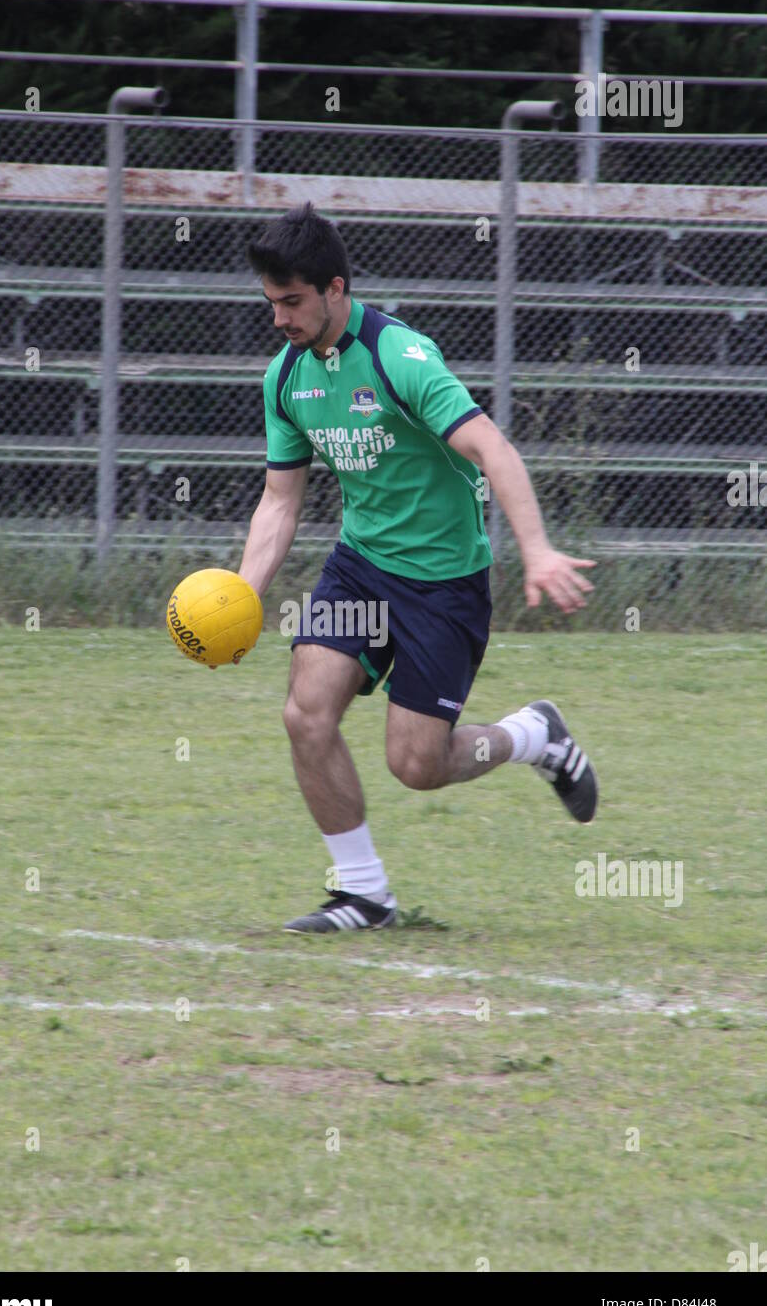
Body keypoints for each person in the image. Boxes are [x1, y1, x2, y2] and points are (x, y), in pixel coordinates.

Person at [237, 202, 597, 934]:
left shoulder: (401, 358)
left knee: (418, 765)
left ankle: (535, 735)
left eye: (294, 302)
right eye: (272, 304)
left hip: (442, 584)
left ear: (336, 288)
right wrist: (242, 598)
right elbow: (280, 503)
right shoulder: (286, 379)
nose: (280, 319)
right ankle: (364, 895)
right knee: (306, 713)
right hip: (361, 568)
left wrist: (536, 550)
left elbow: (493, 449)